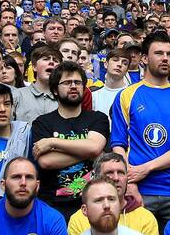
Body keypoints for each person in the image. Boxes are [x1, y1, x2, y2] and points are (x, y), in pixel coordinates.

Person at [110, 31, 170, 229]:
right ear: (144, 58)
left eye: (169, 54)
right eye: (159, 53)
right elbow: (118, 145)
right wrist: (130, 183)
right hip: (139, 190)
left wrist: (146, 168)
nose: (165, 58)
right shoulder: (126, 95)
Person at [22, 61, 108, 218]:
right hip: (52, 206)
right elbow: (46, 161)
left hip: (91, 204)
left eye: (77, 82)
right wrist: (88, 151)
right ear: (55, 90)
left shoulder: (98, 118)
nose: (73, 86)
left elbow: (95, 147)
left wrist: (53, 142)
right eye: (67, 82)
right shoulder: (43, 122)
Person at [66, 152, 161, 235]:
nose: (116, 178)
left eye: (121, 172)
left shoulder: (145, 217)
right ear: (96, 177)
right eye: (109, 173)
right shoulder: (78, 219)